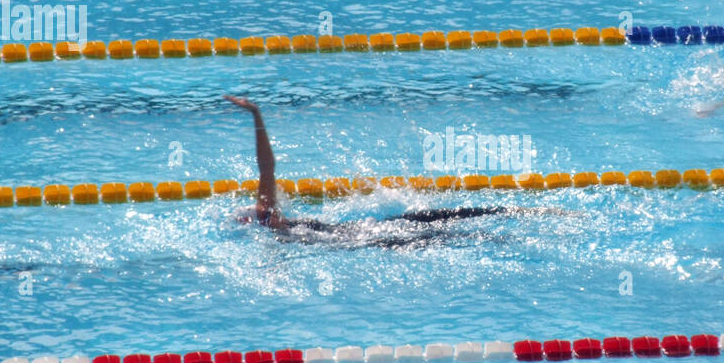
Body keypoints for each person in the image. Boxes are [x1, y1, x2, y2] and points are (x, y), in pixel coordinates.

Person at [223, 95, 525, 245]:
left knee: (453, 228)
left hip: (373, 234)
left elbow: (268, 170)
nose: (261, 202)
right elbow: (267, 170)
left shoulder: (276, 227)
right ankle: (531, 218)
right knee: (456, 223)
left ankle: (516, 227)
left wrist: (256, 114)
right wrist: (255, 114)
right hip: (375, 232)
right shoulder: (272, 222)